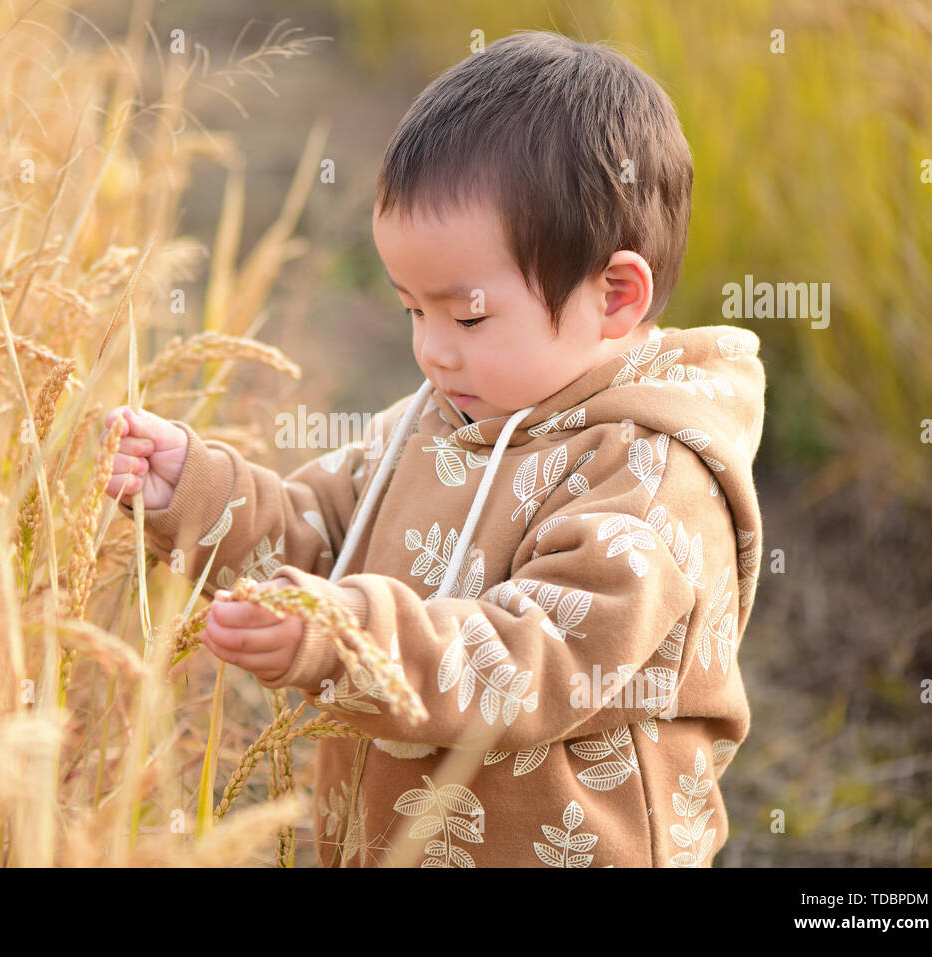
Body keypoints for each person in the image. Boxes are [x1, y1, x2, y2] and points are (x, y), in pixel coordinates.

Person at [103, 30, 765, 867]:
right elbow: (320, 524)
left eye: (469, 315)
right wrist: (193, 492)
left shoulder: (651, 477)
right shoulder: (444, 412)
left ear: (615, 294)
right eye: (414, 310)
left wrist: (348, 638)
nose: (433, 350)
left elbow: (534, 658)